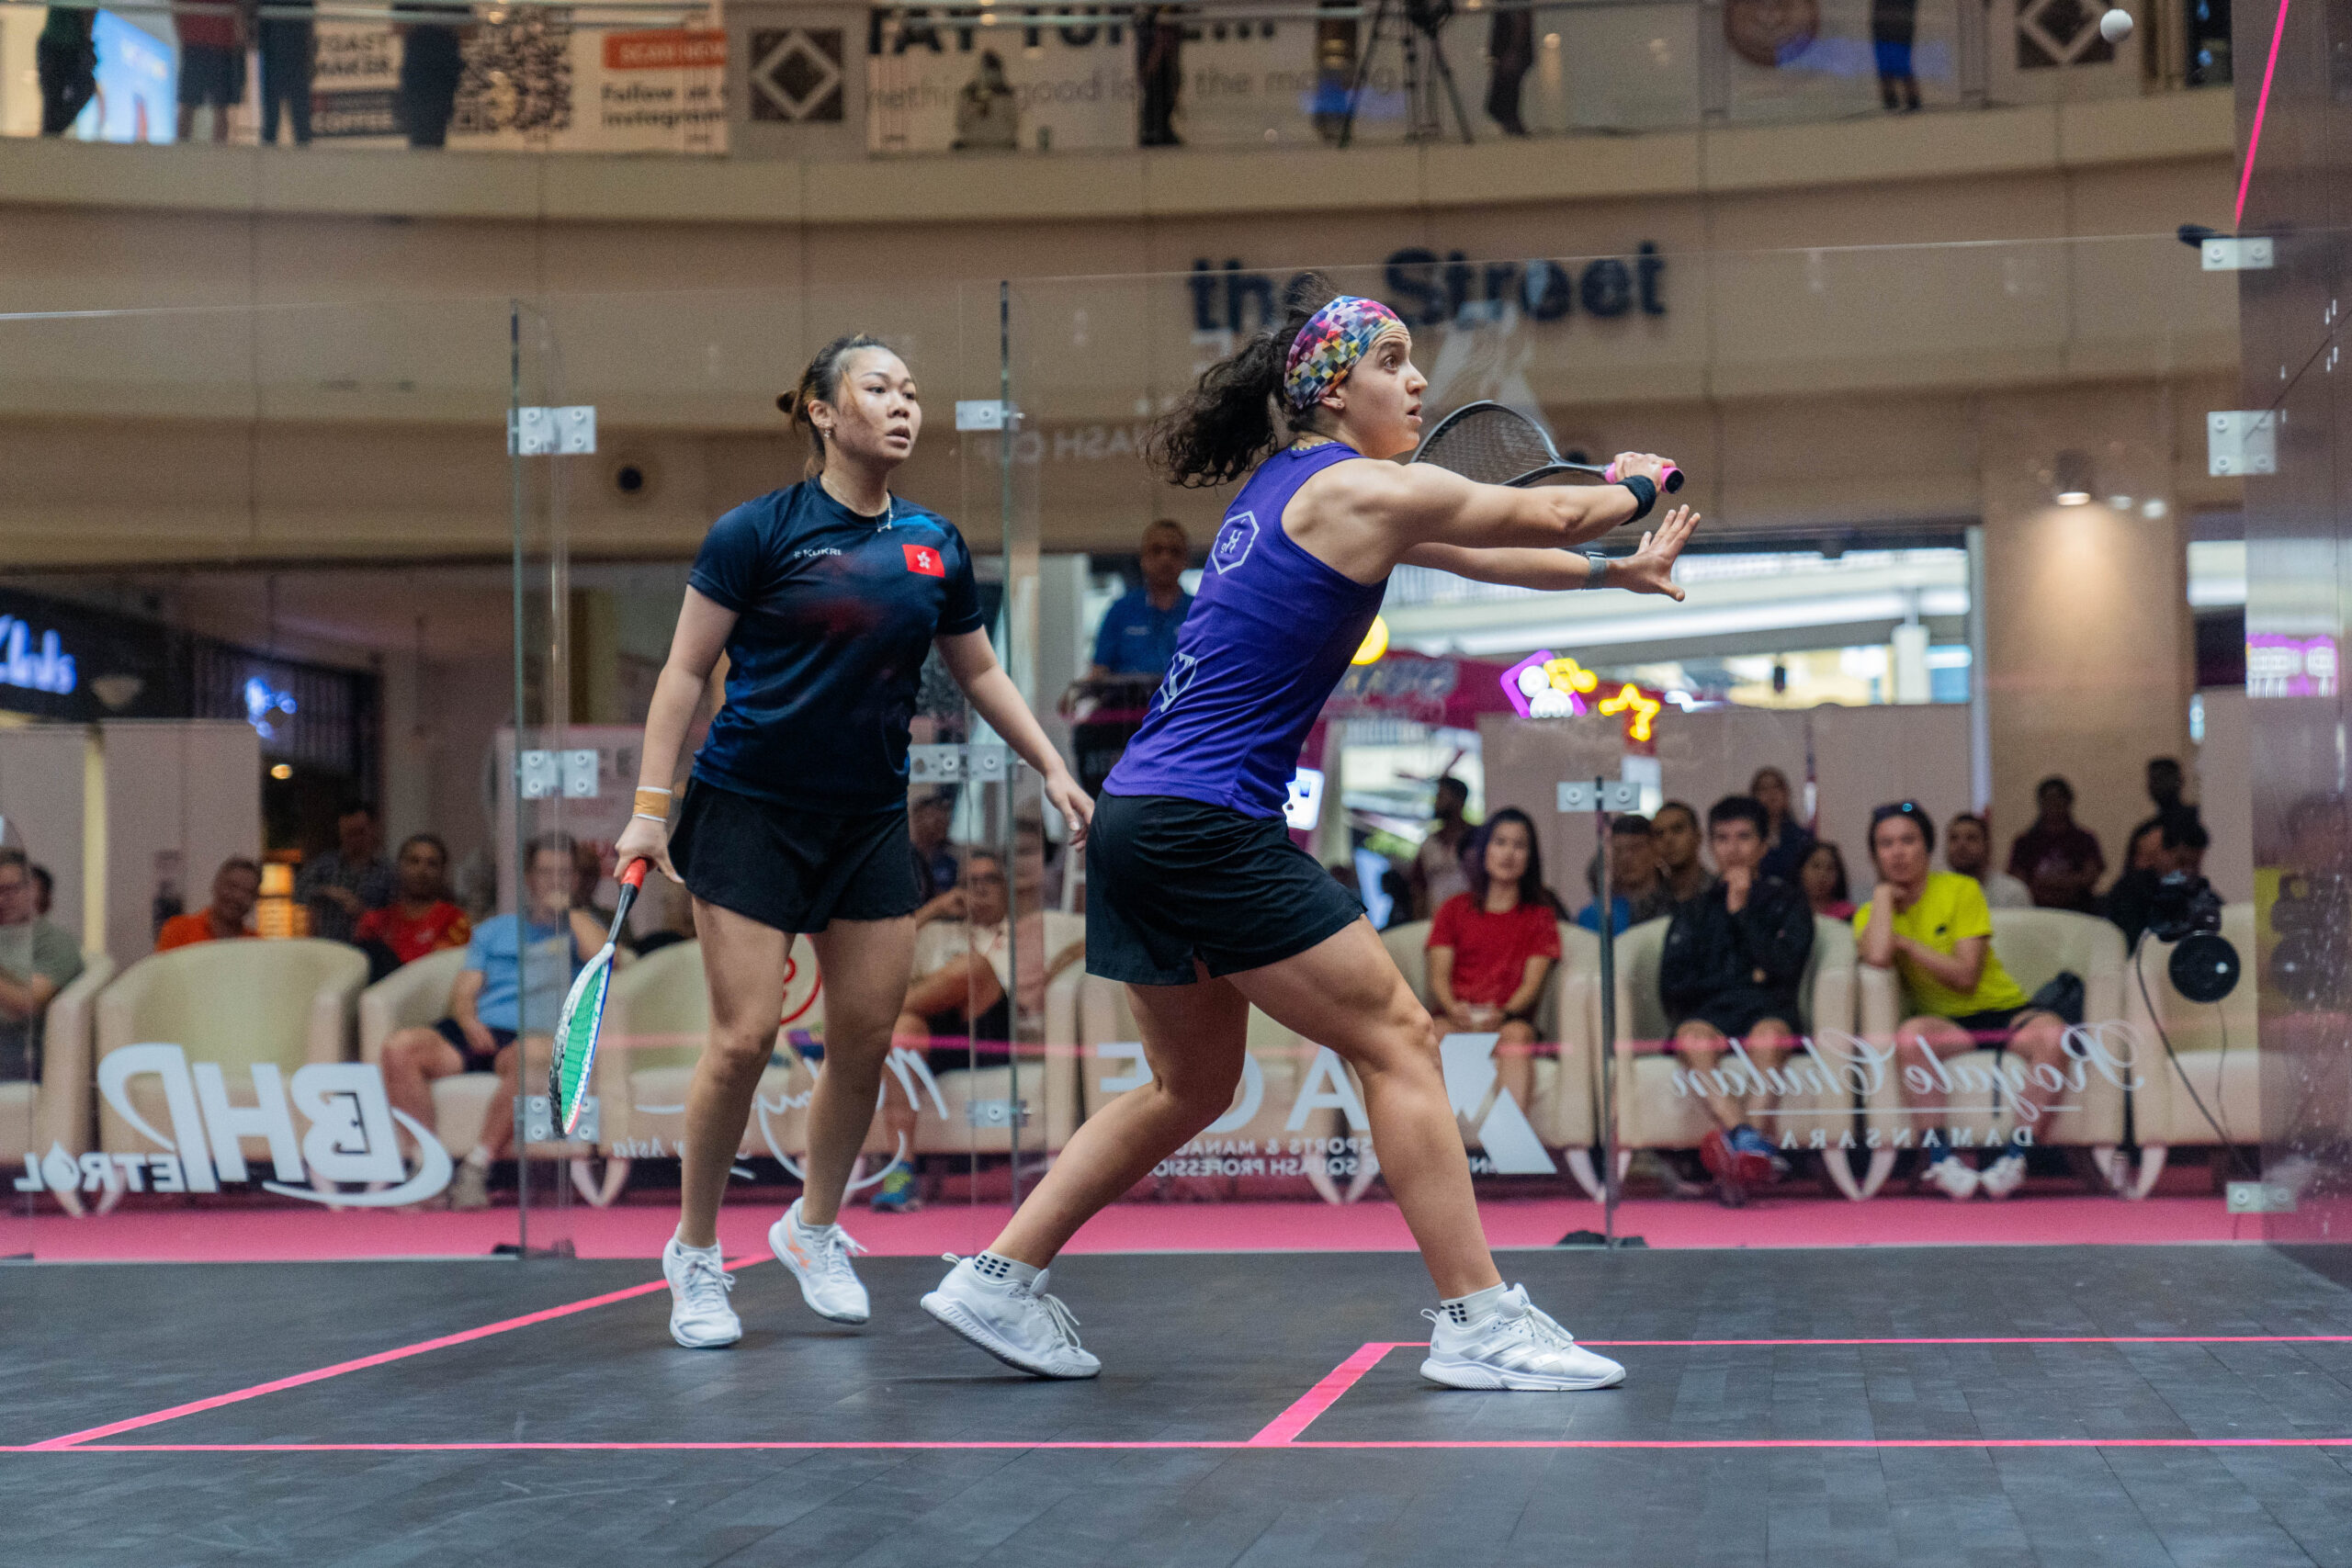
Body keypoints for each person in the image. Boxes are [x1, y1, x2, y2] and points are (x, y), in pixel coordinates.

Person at [920, 284, 1694, 1389]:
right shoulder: (1350, 486)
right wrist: (1632, 484)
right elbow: (1549, 513)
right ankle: (1479, 1319)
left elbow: (1482, 554)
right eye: (1392, 359)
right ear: (1333, 387)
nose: (1417, 380)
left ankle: (997, 1277)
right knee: (1400, 1039)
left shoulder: (1294, 489)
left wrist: (1613, 570)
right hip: (1203, 822)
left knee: (1189, 1086)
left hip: (1141, 817)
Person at [607, 333, 1088, 1349]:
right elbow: (684, 674)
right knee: (741, 1042)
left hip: (868, 817)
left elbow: (980, 672)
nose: (903, 405)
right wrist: (651, 808)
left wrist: (1048, 761)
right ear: (824, 412)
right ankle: (694, 1255)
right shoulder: (757, 531)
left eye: (912, 390)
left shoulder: (934, 544)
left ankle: (811, 1227)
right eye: (878, 388)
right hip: (746, 810)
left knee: (866, 1037)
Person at [377, 835, 604, 1209]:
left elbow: (603, 960)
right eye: (545, 873)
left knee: (532, 1058)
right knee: (399, 1048)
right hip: (480, 1031)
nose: (553, 881)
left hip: (534, 1036)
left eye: (563, 874)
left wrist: (570, 911)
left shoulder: (583, 929)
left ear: (576, 881)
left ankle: (477, 1167)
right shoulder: (494, 930)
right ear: (529, 879)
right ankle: (426, 1168)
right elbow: (465, 990)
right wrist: (467, 1021)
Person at [1857, 801, 2068, 1201]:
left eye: (1908, 841)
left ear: (1927, 847)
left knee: (2054, 1034)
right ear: (1874, 855)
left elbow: (1966, 977)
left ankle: (2014, 1158)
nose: (1897, 852)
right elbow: (1879, 955)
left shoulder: (1961, 890)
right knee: (1909, 1037)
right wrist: (1884, 897)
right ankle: (1942, 1161)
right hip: (1947, 1024)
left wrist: (1907, 943)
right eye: (1885, 845)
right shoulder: (1870, 912)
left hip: (2003, 1013)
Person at [884, 825, 1085, 1212]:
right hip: (940, 1032)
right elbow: (880, 954)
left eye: (990, 879)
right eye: (970, 882)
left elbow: (1096, 939)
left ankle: (864, 1027)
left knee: (972, 968)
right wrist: (935, 909)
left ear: (1006, 886)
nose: (980, 888)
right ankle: (900, 1174)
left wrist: (1054, 968)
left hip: (995, 1030)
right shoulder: (937, 933)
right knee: (901, 1033)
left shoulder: (1033, 929)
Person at [1658, 796, 1815, 1203]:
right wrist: (1744, 974)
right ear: (1710, 846)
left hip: (1768, 1011)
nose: (1733, 849)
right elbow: (1673, 985)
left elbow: (1784, 967)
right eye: (1723, 839)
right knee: (1691, 1038)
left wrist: (1742, 912)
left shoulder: (1787, 902)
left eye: (1744, 837)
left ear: (1764, 845)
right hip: (1710, 1014)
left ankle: (1741, 1154)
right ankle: (1749, 1141)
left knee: (1768, 1037)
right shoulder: (1693, 910)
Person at [1425, 808, 1562, 1116]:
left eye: (1519, 845)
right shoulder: (1453, 909)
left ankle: (1510, 1152)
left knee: (1517, 1037)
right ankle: (1436, 1149)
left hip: (1507, 1021)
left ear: (1530, 857)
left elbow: (1532, 984)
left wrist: (1504, 1013)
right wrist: (1453, 1008)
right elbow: (1438, 977)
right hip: (1456, 1017)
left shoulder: (1540, 916)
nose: (1508, 853)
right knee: (1434, 1034)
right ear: (1484, 849)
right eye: (1500, 842)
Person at [0, 850, 83, 1087]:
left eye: (11, 890)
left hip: (19, 1051)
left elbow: (28, 1002)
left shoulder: (53, 942)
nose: (2, 900)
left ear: (32, 890)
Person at [352, 833, 471, 976]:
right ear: (399, 866)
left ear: (442, 871)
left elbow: (440, 972)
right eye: (414, 861)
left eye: (431, 864)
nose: (422, 871)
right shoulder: (374, 921)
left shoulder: (454, 920)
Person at [1090, 519, 1194, 679]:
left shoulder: (1200, 612)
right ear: (1143, 559)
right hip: (1128, 703)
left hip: (1187, 703)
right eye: (1156, 550)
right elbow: (1099, 671)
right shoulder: (1120, 611)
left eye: (1175, 551)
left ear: (1186, 560)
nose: (1165, 559)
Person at [2106, 813, 2211, 948]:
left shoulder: (2201, 893)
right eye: (2181, 862)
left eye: (2195, 865)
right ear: (2163, 854)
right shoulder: (2131, 892)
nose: (2188, 872)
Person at [297, 803, 394, 946]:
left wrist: (363, 912)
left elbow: (397, 918)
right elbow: (298, 889)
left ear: (373, 830)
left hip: (372, 950)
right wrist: (327, 890)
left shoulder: (387, 871)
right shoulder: (325, 865)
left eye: (359, 832)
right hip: (331, 949)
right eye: (348, 834)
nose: (354, 839)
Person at [2006, 775, 2105, 912]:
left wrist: (2052, 882)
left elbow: (2091, 876)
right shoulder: (2025, 842)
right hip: (2037, 910)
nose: (2054, 804)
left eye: (2059, 799)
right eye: (2048, 799)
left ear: (2068, 801)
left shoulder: (2084, 840)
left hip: (2078, 911)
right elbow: (2017, 880)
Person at [396, 1, 468, 149]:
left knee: (438, 126)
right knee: (418, 124)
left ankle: (435, 165)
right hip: (417, 70)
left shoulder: (458, 4)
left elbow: (470, 30)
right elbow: (397, 26)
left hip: (445, 71)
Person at [175, 0, 246, 144]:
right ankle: (179, 152)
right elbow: (177, 8)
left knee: (220, 106)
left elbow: (238, 9)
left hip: (221, 45)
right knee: (188, 104)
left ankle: (218, 156)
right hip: (196, 44)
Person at [1575, 815, 1662, 933]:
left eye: (1636, 848)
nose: (1626, 858)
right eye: (1618, 850)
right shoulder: (1596, 916)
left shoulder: (1676, 905)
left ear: (1656, 850)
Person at [155, 858, 261, 950]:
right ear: (216, 885)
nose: (237, 897)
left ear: (255, 899)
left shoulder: (256, 945)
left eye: (248, 892)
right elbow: (163, 972)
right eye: (232, 887)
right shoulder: (178, 931)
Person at [1410, 774, 1474, 919]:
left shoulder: (1478, 839)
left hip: (1472, 922)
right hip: (1436, 922)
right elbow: (1418, 889)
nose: (1436, 802)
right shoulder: (1428, 844)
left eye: (1441, 796)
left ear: (1459, 800)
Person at [257, 0, 315, 145]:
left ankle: (305, 162)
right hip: (273, 56)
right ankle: (267, 163)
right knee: (271, 120)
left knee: (300, 120)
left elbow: (309, 24)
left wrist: (310, 57)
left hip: (296, 56)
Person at [1946, 812, 2030, 908]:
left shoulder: (2012, 893)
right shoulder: (1937, 892)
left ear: (1987, 846)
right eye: (1954, 838)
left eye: (1971, 838)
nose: (1961, 845)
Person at [36, 6, 96, 137]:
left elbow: (89, 12)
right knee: (53, 105)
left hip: (64, 46)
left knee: (54, 109)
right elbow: (89, 12)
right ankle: (50, 137)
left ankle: (50, 136)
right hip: (57, 46)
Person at [1748, 766, 1815, 884]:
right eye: (1763, 789)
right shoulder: (1746, 839)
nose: (1771, 794)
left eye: (1776, 787)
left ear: (1786, 793)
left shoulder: (1803, 839)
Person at [1651, 800, 1713, 906]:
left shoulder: (1721, 893)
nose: (1668, 839)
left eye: (1677, 829)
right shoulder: (1650, 904)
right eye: (1659, 834)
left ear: (1698, 836)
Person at [953, 51, 1019, 151]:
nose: (990, 75)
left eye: (993, 71)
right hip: (971, 148)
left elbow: (1014, 123)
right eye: (987, 70)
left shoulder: (1006, 95)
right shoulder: (968, 95)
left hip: (1002, 148)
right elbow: (960, 123)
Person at [908, 791, 959, 899]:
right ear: (918, 820)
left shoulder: (953, 860)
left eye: (944, 818)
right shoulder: (905, 858)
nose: (942, 823)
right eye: (934, 818)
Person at [1798, 840, 1854, 920]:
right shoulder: (1788, 910)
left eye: (1830, 868)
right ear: (1801, 870)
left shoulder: (1848, 914)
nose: (1822, 874)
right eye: (1816, 866)